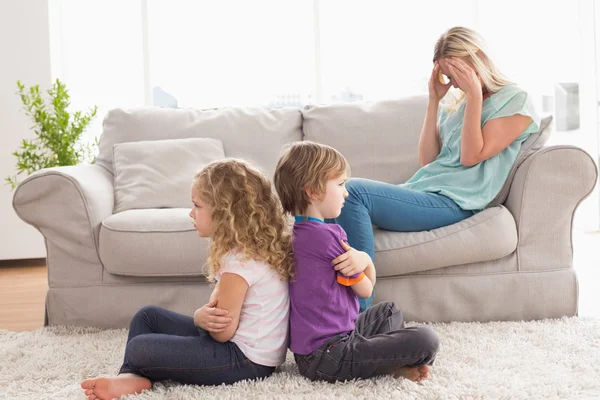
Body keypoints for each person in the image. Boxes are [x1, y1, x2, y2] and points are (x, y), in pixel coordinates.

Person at [335, 26, 541, 311]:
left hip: (456, 201)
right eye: (448, 76)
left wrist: (475, 98)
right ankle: (325, 312)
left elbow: (471, 156)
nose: (454, 85)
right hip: (426, 191)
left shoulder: (515, 100)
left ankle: (359, 314)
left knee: (354, 191)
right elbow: (428, 161)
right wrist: (434, 100)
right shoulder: (460, 104)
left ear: (477, 58)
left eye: (455, 74)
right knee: (325, 205)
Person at [81, 159, 293, 400]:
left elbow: (221, 333)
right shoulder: (253, 250)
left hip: (244, 360)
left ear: (225, 213)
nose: (191, 213)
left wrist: (199, 318)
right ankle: (130, 378)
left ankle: (133, 374)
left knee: (140, 348)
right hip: (245, 351)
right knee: (147, 316)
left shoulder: (240, 264)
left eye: (197, 205)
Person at [273, 141, 439, 383]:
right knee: (426, 339)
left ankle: (380, 362)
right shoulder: (329, 237)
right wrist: (364, 260)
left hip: (316, 350)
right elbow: (365, 289)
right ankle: (385, 364)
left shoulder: (298, 233)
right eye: (340, 184)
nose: (346, 192)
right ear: (314, 191)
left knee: (388, 311)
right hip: (330, 356)